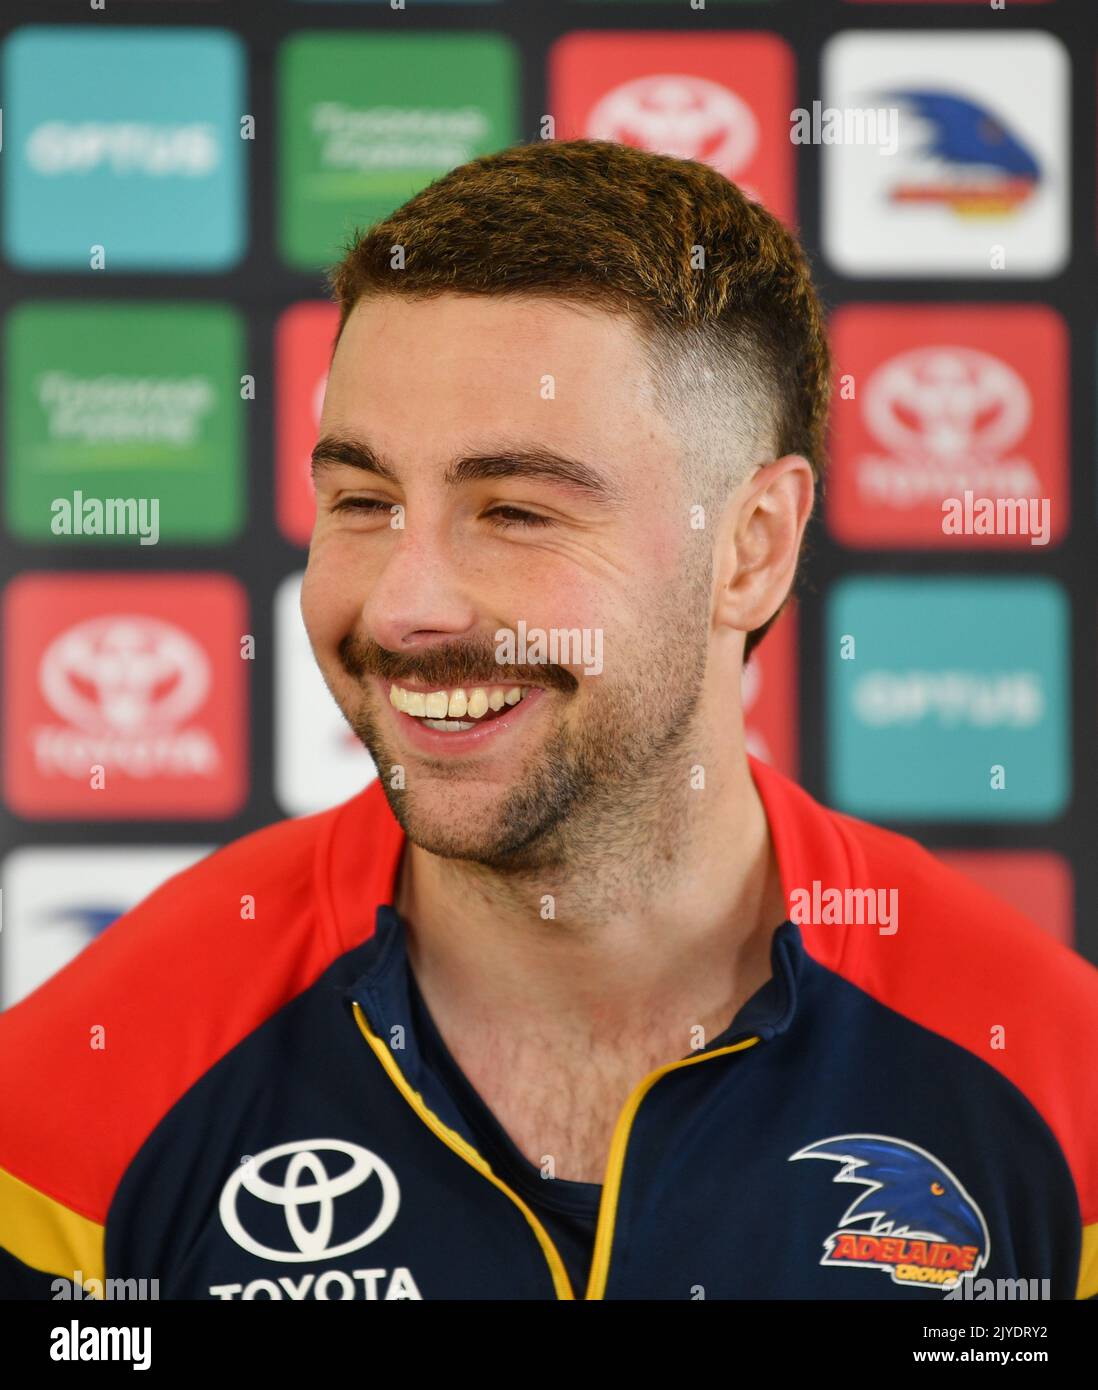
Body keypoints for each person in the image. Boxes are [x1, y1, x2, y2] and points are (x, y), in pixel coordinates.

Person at [1, 140, 1094, 1302]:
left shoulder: (1057, 1091)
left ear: (753, 548)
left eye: (515, 510)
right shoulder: (81, 1093)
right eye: (363, 501)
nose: (404, 603)